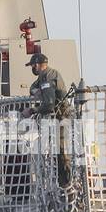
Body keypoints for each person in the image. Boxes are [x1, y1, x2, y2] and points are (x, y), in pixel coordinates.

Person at [28, 52, 73, 187]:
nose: (32, 69)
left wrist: (32, 110)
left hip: (60, 117)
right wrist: (35, 91)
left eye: (32, 66)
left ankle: (65, 184)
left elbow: (49, 104)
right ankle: (59, 183)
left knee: (61, 151)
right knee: (54, 151)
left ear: (37, 65)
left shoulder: (48, 76)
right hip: (54, 119)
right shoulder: (44, 77)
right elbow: (33, 87)